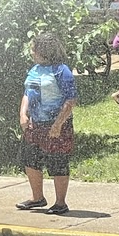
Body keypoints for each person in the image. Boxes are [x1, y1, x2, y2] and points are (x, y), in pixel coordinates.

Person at [15, 33, 79, 214]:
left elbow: (70, 100)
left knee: (57, 162)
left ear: (43, 51)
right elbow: (27, 92)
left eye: (33, 49)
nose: (31, 52)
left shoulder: (61, 70)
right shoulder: (35, 69)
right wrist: (22, 113)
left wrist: (58, 124)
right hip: (35, 124)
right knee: (30, 159)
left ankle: (60, 203)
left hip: (56, 125)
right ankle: (37, 198)